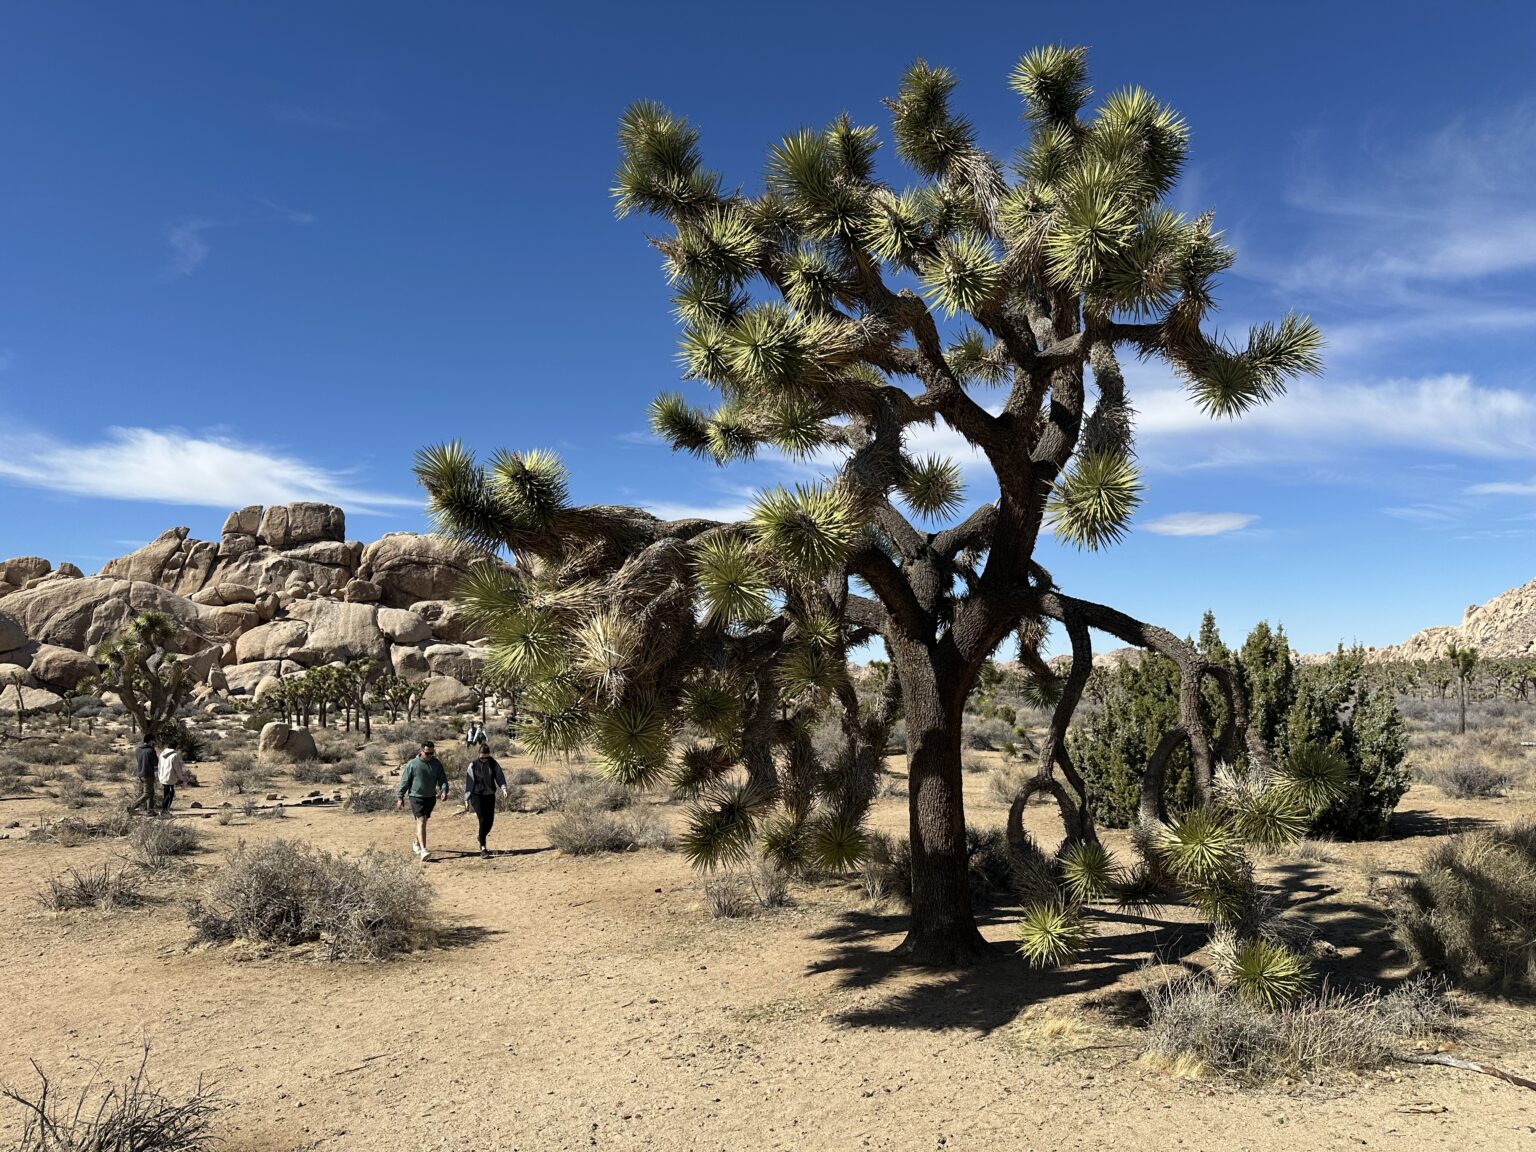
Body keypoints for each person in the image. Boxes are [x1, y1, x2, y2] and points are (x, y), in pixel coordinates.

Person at [396, 740, 449, 861]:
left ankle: (416, 842)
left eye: (432, 753)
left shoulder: (436, 764)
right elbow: (404, 782)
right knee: (421, 820)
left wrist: (444, 790)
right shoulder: (412, 764)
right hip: (416, 796)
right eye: (427, 753)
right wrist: (400, 797)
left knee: (423, 822)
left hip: (430, 797)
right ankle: (424, 850)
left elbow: (442, 779)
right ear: (421, 751)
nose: (429, 755)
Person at [463, 742, 508, 858]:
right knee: (482, 819)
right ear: (479, 755)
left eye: (486, 757)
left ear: (489, 755)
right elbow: (469, 783)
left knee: (490, 821)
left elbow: (500, 777)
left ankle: (481, 835)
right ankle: (483, 848)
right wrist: (466, 799)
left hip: (489, 795)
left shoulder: (493, 764)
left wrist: (503, 789)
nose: (484, 760)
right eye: (482, 758)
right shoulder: (473, 765)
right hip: (477, 795)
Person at [126, 734, 158, 814]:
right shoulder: (151, 750)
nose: (154, 742)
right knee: (147, 793)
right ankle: (132, 807)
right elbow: (155, 763)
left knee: (151, 792)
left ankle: (150, 810)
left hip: (140, 773)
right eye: (153, 740)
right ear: (151, 740)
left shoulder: (138, 749)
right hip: (148, 774)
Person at [156, 743, 189, 816]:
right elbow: (177, 769)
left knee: (166, 792)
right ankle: (164, 810)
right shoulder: (174, 755)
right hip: (169, 777)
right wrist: (182, 778)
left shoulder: (162, 754)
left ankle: (164, 810)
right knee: (170, 793)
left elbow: (159, 766)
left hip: (162, 776)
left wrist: (159, 775)